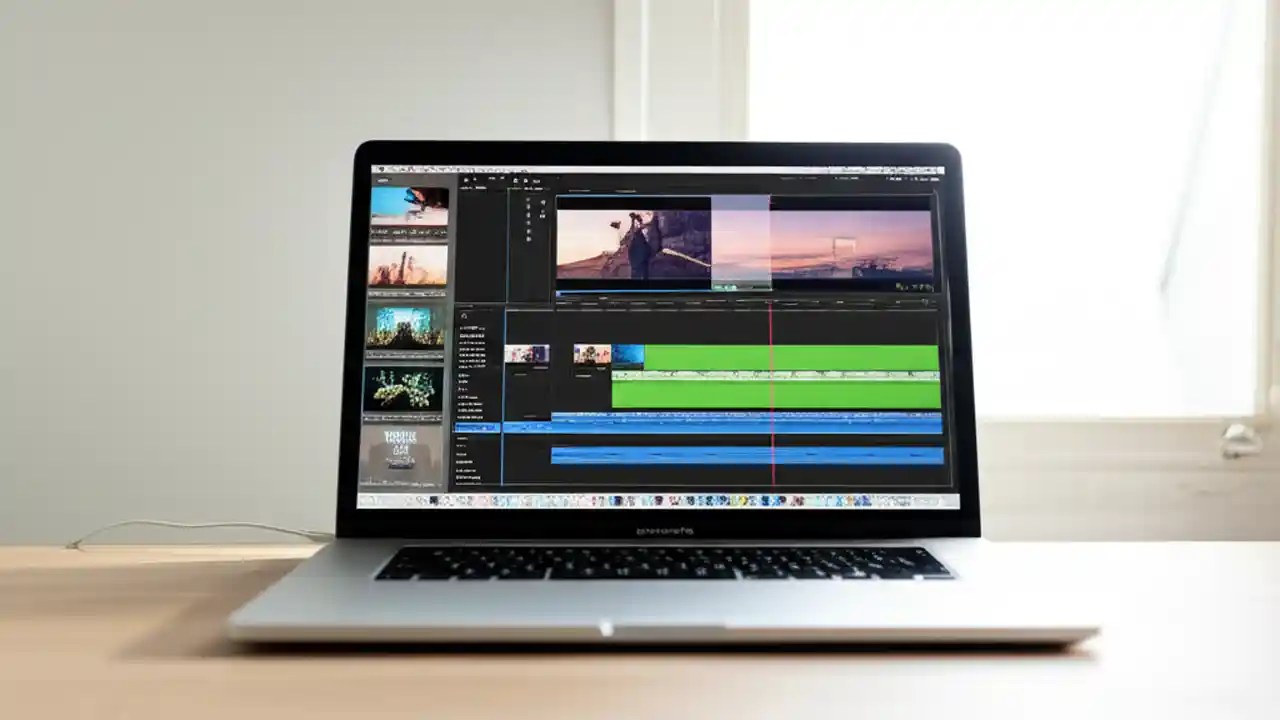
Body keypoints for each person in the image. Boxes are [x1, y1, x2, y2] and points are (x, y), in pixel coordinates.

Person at [625, 212, 651, 280]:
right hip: (638, 261)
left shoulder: (639, 235)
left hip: (640, 259)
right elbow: (633, 231)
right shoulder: (636, 235)